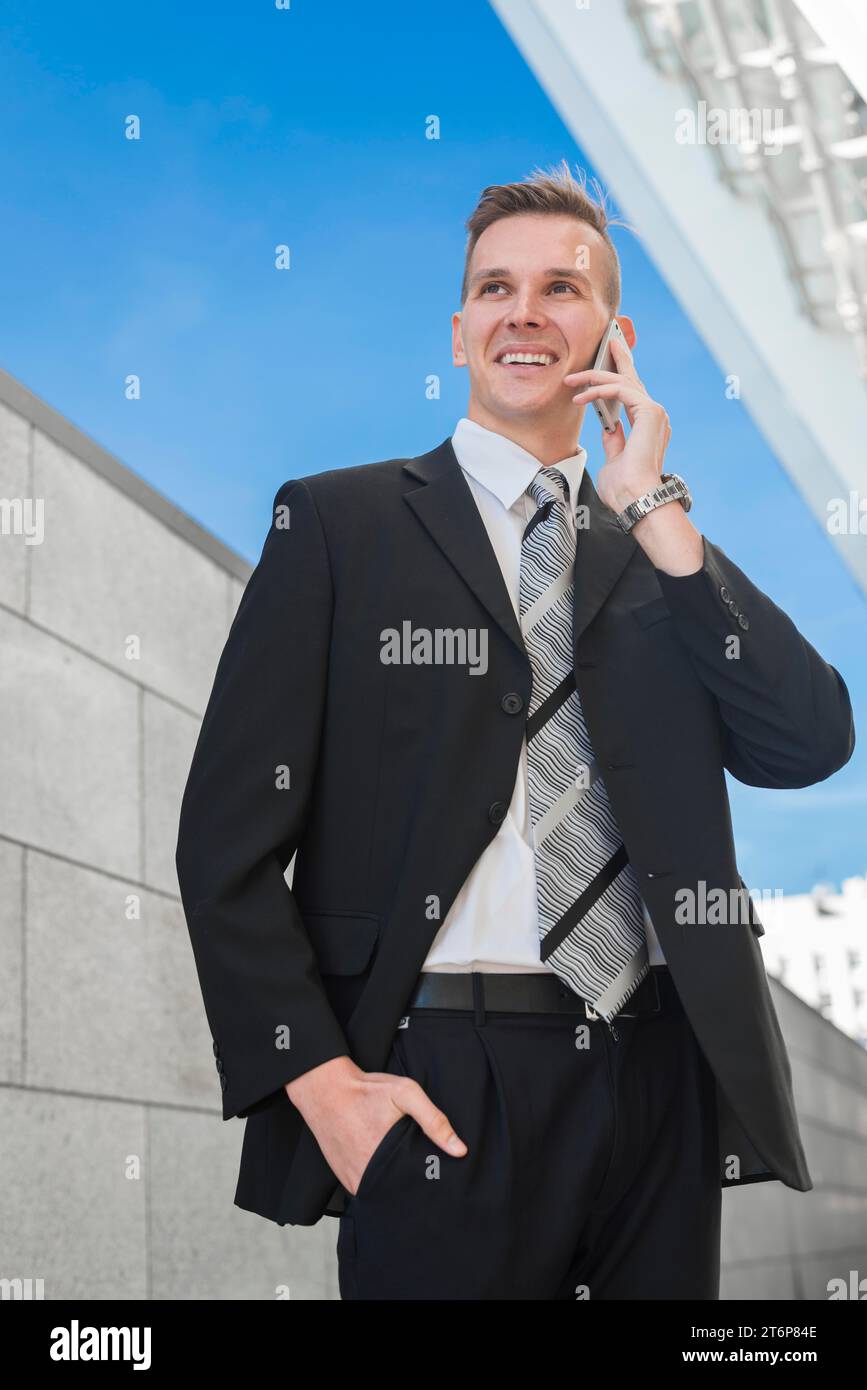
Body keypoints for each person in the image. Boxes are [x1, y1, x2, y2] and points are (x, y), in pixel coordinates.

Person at [175, 162, 855, 1300]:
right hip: (443, 1081)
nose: (525, 313)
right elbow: (224, 848)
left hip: (655, 1086)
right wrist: (327, 1086)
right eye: (495, 289)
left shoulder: (660, 554)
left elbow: (810, 741)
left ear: (613, 335)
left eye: (560, 288)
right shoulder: (338, 526)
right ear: (459, 332)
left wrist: (659, 512)